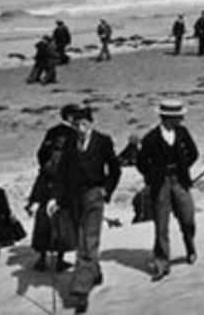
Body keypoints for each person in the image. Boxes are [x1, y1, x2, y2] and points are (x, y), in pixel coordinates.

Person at [50, 104, 120, 314]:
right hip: (73, 198)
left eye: (83, 124)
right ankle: (94, 273)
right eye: (76, 125)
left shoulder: (103, 141)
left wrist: (107, 190)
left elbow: (115, 169)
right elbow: (61, 173)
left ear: (90, 123)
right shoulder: (69, 143)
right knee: (82, 238)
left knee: (87, 243)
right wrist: (55, 199)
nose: (79, 129)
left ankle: (80, 292)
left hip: (94, 195)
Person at [138, 99, 200, 283]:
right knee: (161, 224)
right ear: (167, 118)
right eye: (178, 117)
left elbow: (194, 153)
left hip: (179, 180)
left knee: (187, 216)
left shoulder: (182, 133)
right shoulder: (150, 138)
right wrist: (153, 177)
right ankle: (161, 263)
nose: (181, 119)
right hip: (161, 184)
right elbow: (141, 163)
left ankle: (190, 246)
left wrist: (182, 168)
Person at [26, 108, 79, 272]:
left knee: (43, 219)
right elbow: (75, 160)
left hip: (46, 179)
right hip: (63, 182)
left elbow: (40, 153)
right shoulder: (74, 134)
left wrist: (46, 167)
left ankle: (42, 259)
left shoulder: (51, 131)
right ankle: (59, 260)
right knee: (64, 220)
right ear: (70, 117)